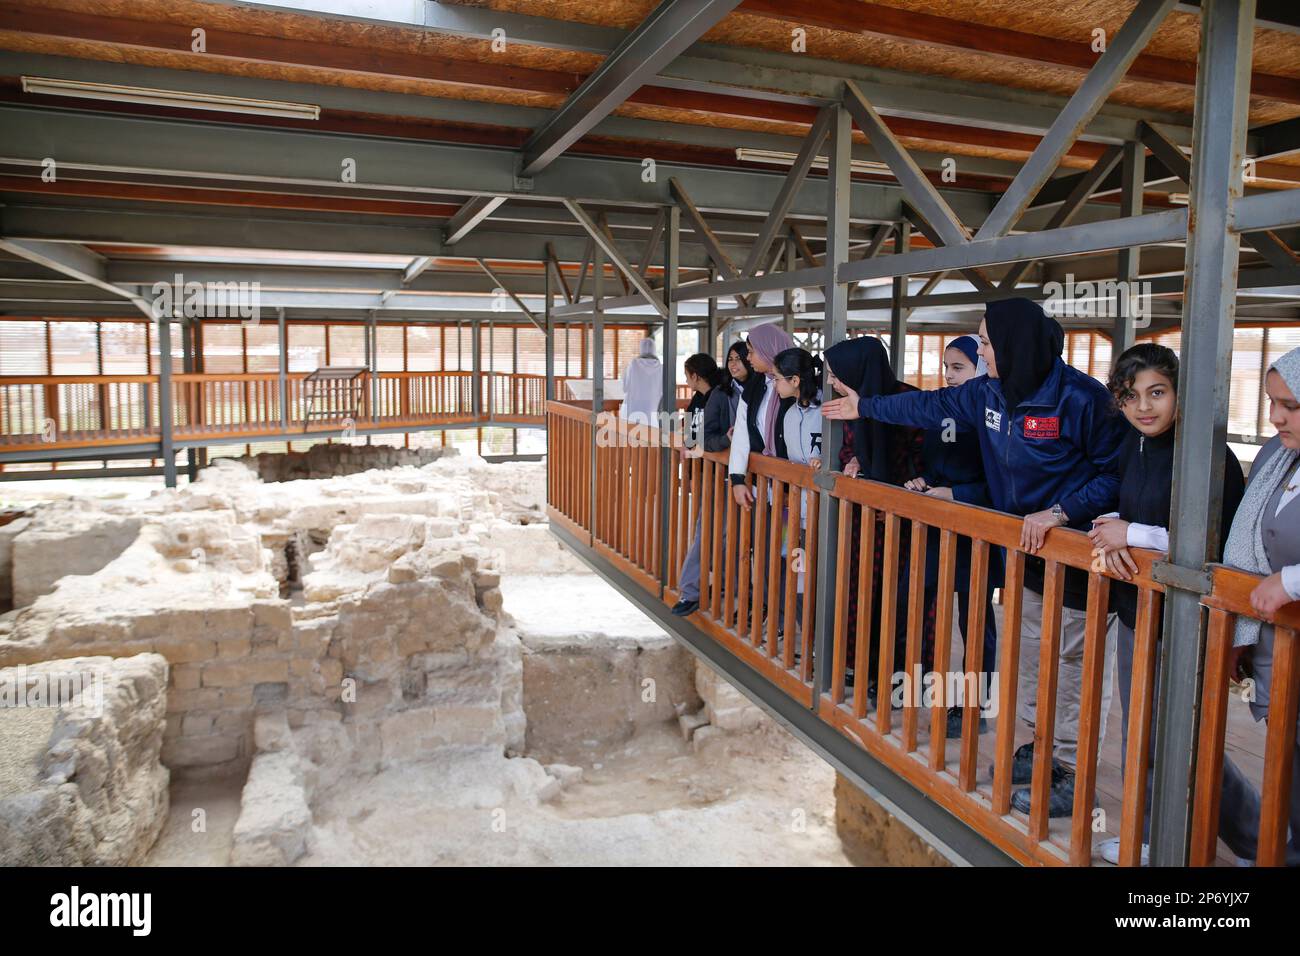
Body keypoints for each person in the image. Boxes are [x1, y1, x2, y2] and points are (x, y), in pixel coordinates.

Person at [823, 298, 1127, 818]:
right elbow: (926, 406)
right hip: (1031, 555)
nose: (981, 349)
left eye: (985, 341)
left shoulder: (1079, 399)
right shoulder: (989, 393)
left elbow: (1116, 473)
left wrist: (1061, 511)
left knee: (1073, 665)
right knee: (1034, 657)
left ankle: (1075, 774)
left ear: (1013, 345)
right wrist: (864, 407)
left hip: (1078, 556)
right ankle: (1048, 748)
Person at [1087, 343, 1250, 865]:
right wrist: (1112, 527)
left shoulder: (1207, 453)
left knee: (1182, 738)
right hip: (1142, 612)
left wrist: (1129, 531)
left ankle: (1194, 842)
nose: (1144, 407)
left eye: (1157, 393)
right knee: (1151, 737)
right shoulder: (1133, 445)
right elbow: (1143, 512)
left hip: (1188, 622)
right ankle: (1162, 839)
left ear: (1180, 393)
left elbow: (1212, 542)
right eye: (1131, 396)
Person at [1216, 344, 1300, 866]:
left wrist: (1292, 580)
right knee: (1288, 765)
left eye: (1290, 405)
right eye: (1272, 403)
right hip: (1278, 653)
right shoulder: (1278, 456)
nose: (1275, 417)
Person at [903, 335, 1002, 737]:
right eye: (946, 367)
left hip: (976, 533)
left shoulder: (994, 413)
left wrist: (959, 493)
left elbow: (1003, 482)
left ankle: (974, 707)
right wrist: (925, 479)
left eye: (958, 367)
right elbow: (933, 460)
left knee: (975, 621)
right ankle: (923, 687)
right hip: (938, 528)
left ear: (979, 370)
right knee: (928, 610)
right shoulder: (943, 409)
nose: (948, 375)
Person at [822, 335, 927, 694]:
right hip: (868, 521)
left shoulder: (907, 401)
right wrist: (852, 460)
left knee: (902, 605)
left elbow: (925, 459)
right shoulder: (850, 405)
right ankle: (864, 665)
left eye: (836, 375)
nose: (832, 383)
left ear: (858, 371)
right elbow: (850, 448)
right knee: (862, 592)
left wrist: (895, 492)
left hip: (906, 521)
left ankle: (898, 679)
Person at [672, 353, 739, 617]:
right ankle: (714, 583)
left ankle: (691, 590)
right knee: (714, 532)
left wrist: (703, 441)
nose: (687, 380)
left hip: (721, 474)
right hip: (705, 474)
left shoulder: (721, 397)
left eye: (687, 375)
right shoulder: (698, 399)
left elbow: (713, 438)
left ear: (694, 375)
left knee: (712, 532)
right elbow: (691, 437)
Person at [620, 336, 663, 425]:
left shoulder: (633, 364)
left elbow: (625, 387)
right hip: (651, 412)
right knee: (650, 437)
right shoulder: (661, 368)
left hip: (632, 411)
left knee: (631, 436)